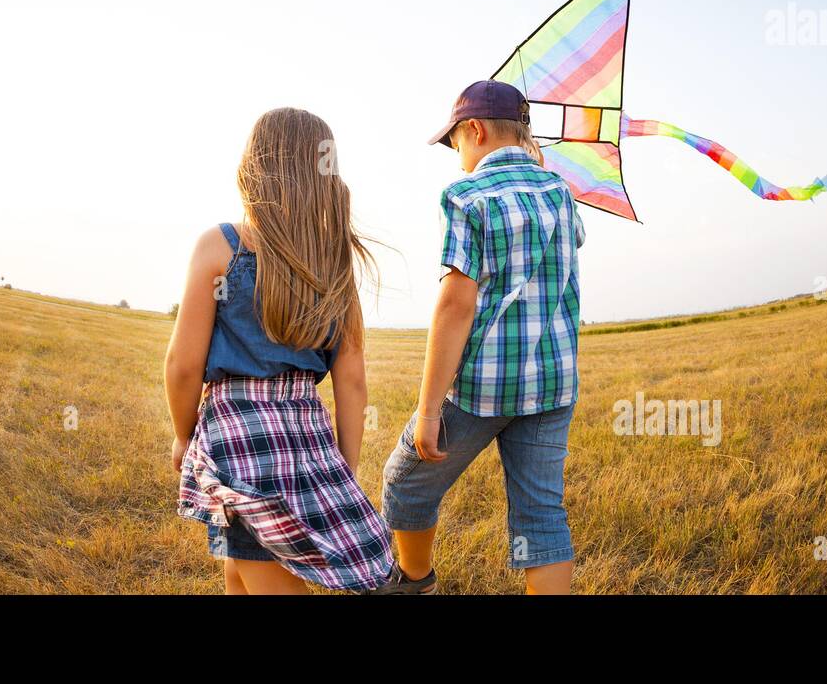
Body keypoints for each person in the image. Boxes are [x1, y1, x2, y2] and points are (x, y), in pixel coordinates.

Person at [166, 107, 393, 594]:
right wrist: (343, 469)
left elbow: (183, 367)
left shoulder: (220, 247)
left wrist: (184, 438)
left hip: (237, 439)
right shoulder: (335, 264)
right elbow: (351, 381)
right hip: (306, 437)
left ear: (254, 168)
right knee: (240, 565)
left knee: (257, 566)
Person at [372, 80, 585, 595]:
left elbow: (455, 304)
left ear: (474, 130)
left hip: (481, 390)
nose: (458, 158)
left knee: (405, 484)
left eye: (456, 145)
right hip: (552, 384)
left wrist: (427, 413)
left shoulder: (466, 196)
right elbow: (572, 245)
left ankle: (415, 580)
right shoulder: (559, 191)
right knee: (541, 517)